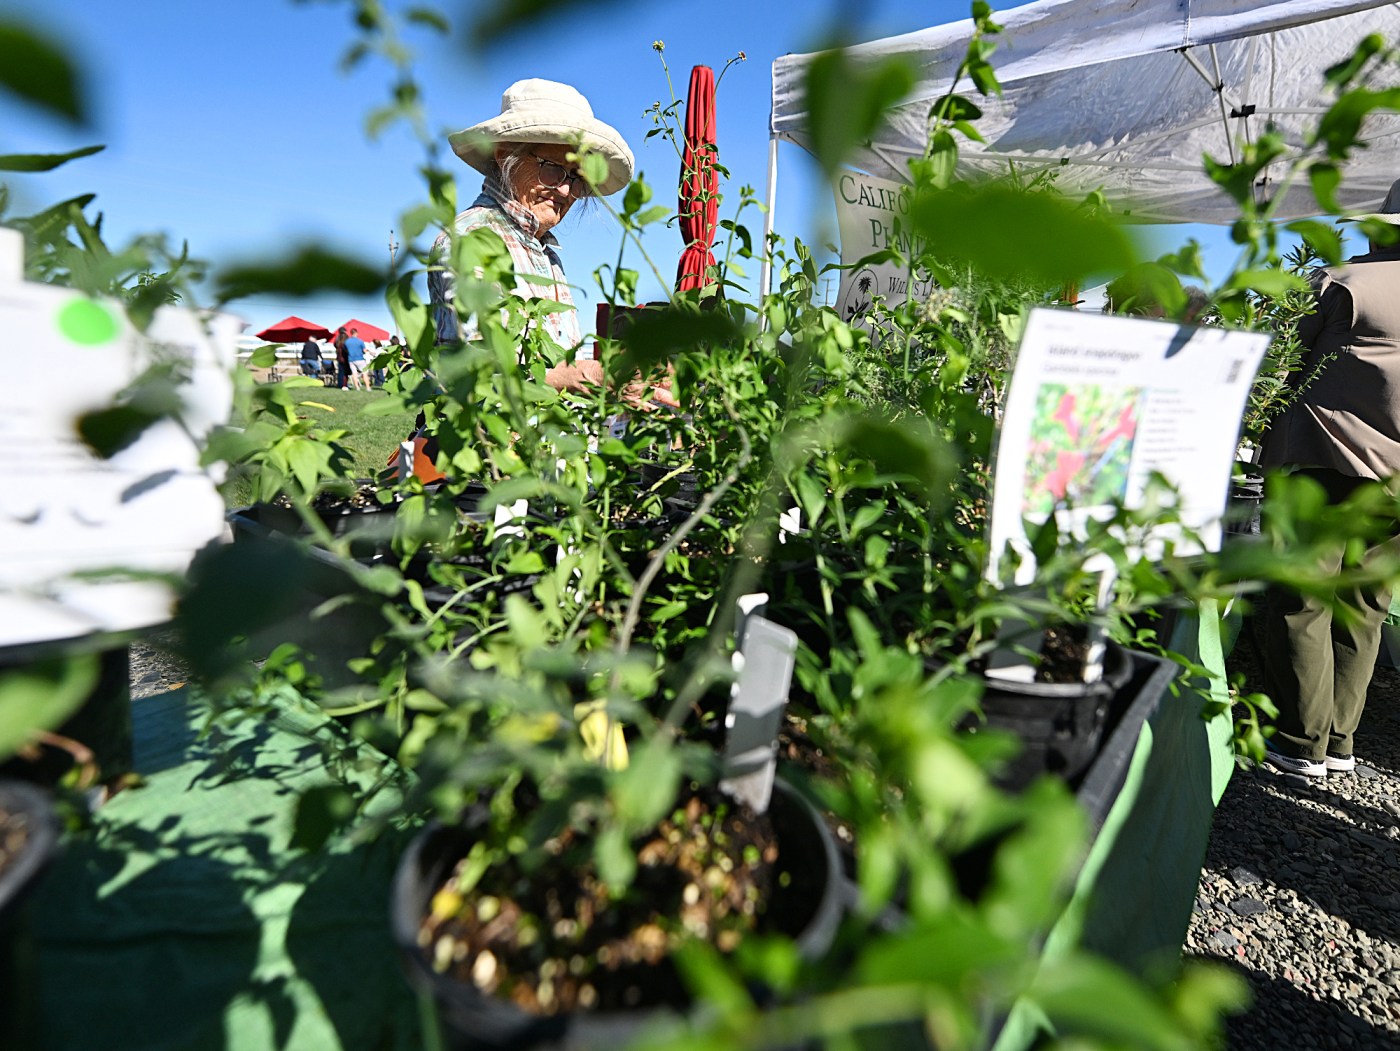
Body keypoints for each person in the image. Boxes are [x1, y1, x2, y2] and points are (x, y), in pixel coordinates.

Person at [1254, 177, 1400, 778]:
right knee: (1365, 604)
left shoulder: (1344, 283)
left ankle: (1298, 741)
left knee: (1301, 598)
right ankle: (1339, 741)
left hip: (1324, 460)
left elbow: (1277, 359)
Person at [343, 326, 369, 391]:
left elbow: (345, 350)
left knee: (354, 374)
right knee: (364, 373)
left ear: (351, 333)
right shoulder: (360, 341)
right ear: (356, 333)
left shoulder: (347, 342)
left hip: (351, 359)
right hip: (360, 359)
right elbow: (364, 350)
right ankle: (368, 387)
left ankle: (357, 387)